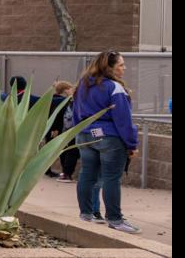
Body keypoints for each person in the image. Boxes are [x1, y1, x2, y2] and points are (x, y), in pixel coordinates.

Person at [69, 51, 139, 234]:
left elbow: (76, 112)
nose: (124, 68)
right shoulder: (114, 87)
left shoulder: (82, 85)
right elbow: (123, 119)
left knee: (87, 174)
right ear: (110, 67)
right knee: (111, 178)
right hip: (109, 138)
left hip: (85, 136)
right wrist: (132, 144)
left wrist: (81, 131)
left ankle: (86, 214)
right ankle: (115, 219)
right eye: (121, 65)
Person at [44, 80, 77, 181]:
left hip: (57, 129)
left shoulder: (54, 100)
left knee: (61, 151)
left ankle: (62, 172)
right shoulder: (62, 101)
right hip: (61, 129)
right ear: (66, 90)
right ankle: (66, 173)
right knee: (67, 151)